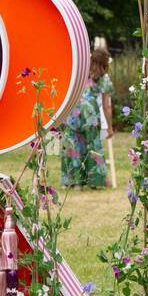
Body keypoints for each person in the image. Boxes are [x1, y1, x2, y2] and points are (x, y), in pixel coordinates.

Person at [61, 46, 114, 189]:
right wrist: (109, 127)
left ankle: (73, 181)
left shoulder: (80, 72)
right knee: (93, 146)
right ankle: (96, 181)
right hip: (90, 115)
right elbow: (106, 106)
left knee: (73, 145)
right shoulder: (104, 78)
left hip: (73, 113)